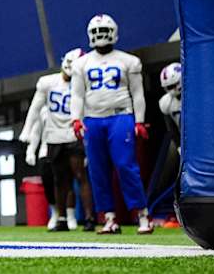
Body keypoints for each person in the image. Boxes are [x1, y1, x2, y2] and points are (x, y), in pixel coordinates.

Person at [70, 14, 152, 235]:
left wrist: (140, 120)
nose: (101, 36)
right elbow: (77, 95)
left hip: (120, 116)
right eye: (96, 32)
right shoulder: (81, 63)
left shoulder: (128, 60)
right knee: (97, 170)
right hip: (92, 119)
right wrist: (75, 118)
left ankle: (142, 214)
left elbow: (137, 93)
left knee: (125, 165)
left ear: (114, 32)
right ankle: (109, 217)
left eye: (104, 31)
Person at [22, 48, 95, 231]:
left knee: (81, 176)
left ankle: (89, 217)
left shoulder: (84, 84)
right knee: (59, 179)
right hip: (54, 136)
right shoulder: (48, 82)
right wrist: (27, 131)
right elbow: (35, 107)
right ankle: (61, 217)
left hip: (74, 134)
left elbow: (90, 111)